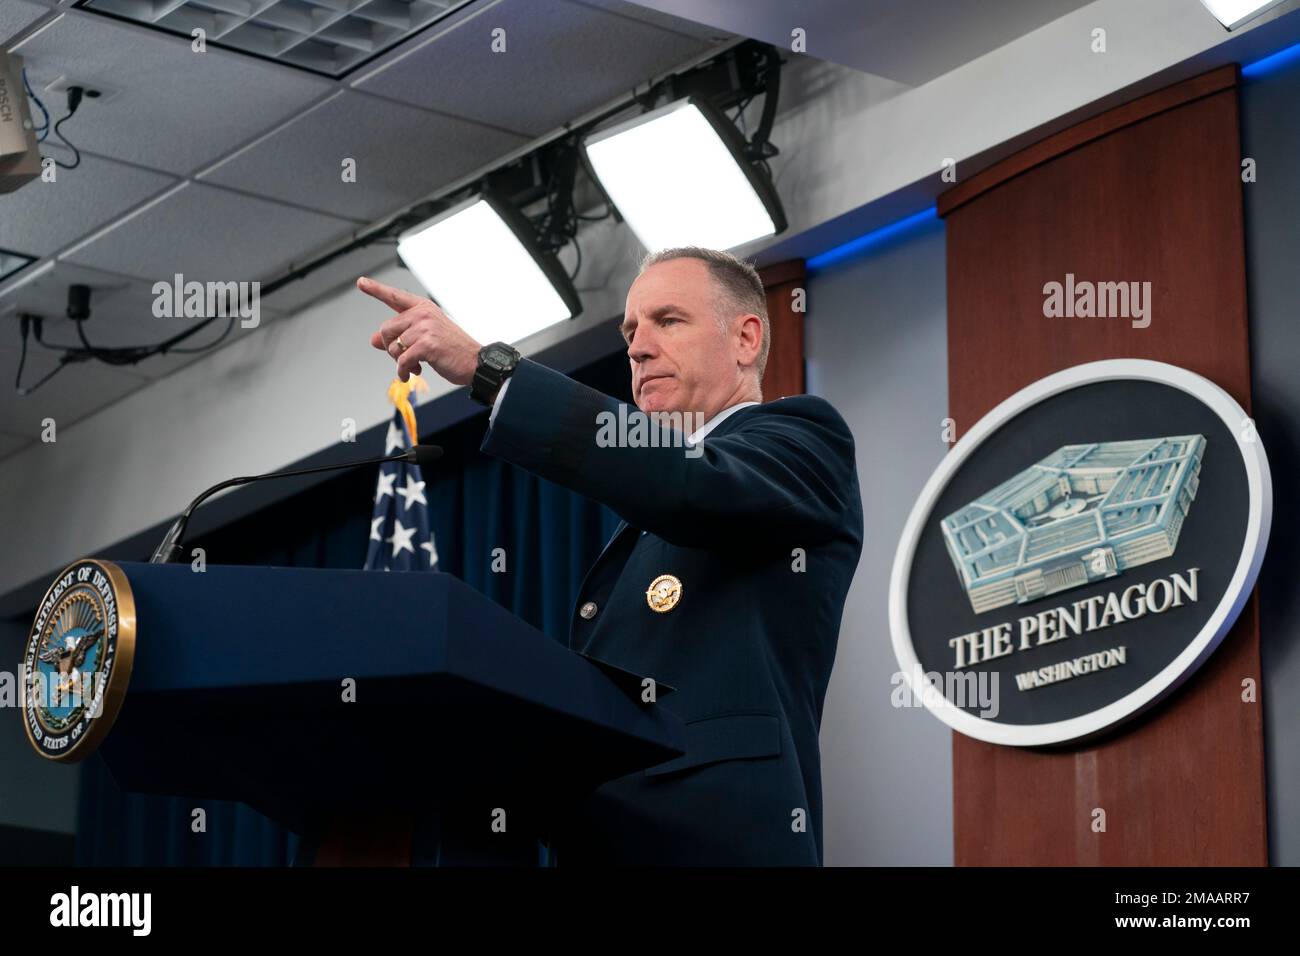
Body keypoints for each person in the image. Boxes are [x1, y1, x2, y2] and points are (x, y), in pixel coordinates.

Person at [359, 246, 863, 865]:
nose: (638, 346)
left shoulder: (803, 441)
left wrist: (496, 376)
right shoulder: (644, 516)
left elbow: (687, 485)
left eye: (667, 320)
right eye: (630, 331)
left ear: (746, 338)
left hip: (720, 842)